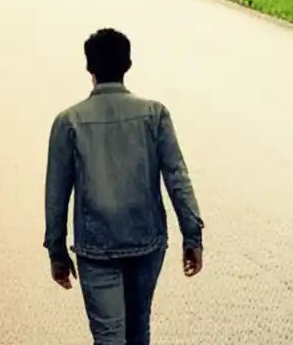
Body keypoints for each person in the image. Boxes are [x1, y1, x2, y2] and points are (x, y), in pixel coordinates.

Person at [43, 28, 204, 345]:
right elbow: (177, 177)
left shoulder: (68, 122)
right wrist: (192, 235)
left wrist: (57, 251)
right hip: (146, 242)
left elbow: (56, 194)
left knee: (108, 337)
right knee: (138, 329)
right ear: (128, 64)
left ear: (89, 67)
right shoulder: (154, 115)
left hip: (96, 247)